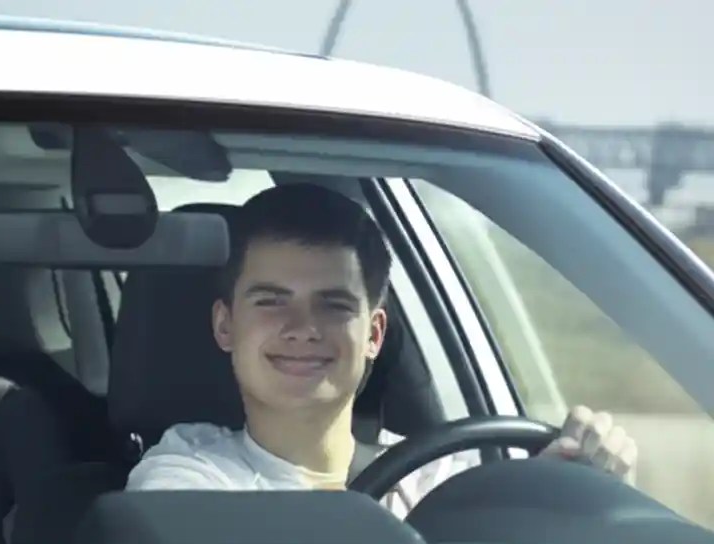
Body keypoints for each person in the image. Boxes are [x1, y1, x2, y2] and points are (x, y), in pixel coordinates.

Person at [126, 183, 638, 516]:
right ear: (225, 326)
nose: (303, 328)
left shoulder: (441, 476)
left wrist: (579, 493)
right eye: (272, 301)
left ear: (373, 335)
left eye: (333, 305)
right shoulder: (187, 475)